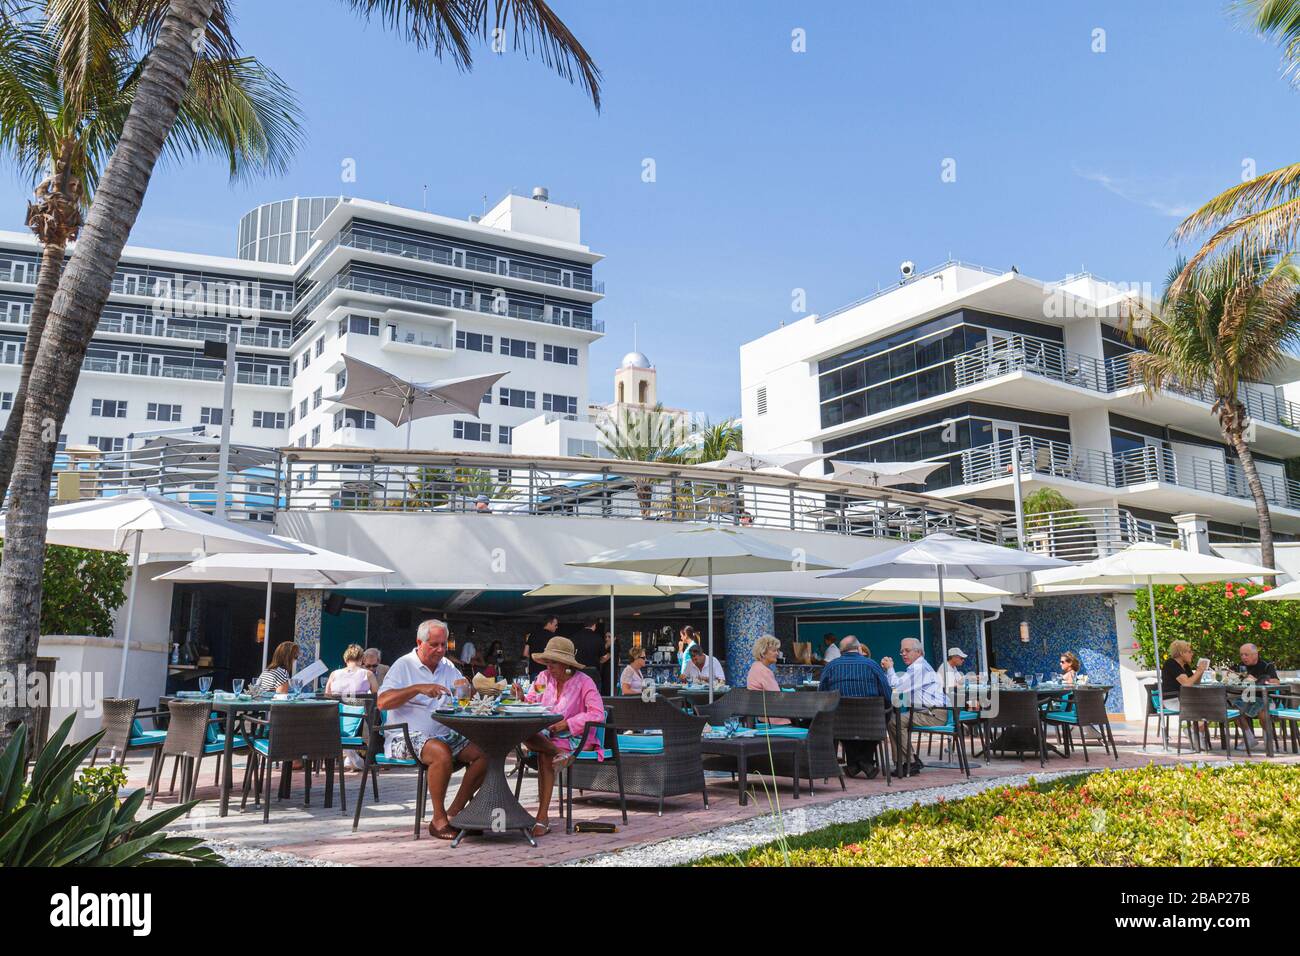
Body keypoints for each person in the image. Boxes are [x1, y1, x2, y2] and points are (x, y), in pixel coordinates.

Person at [377, 619, 489, 839]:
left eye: (443, 645)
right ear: (420, 642)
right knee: (440, 752)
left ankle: (455, 812)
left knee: (486, 751)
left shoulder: (447, 666)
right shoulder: (404, 665)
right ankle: (438, 820)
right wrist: (417, 688)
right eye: (434, 645)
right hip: (403, 737)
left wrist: (468, 689)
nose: (440, 650)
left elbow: (467, 693)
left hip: (443, 735)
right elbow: (382, 702)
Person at [521, 637, 605, 837]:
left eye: (554, 662)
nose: (549, 667)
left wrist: (568, 723)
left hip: (576, 738)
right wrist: (520, 698)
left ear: (567, 664)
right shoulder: (543, 678)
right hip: (547, 736)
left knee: (544, 754)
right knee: (524, 733)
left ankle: (542, 817)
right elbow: (530, 703)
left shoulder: (584, 682)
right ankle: (558, 753)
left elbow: (597, 714)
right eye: (548, 662)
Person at [819, 636, 893, 778]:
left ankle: (855, 763)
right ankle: (864, 762)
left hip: (841, 721)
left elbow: (822, 695)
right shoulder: (872, 665)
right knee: (883, 715)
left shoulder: (831, 666)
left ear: (841, 651)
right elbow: (887, 693)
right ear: (859, 648)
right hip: (872, 720)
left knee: (842, 721)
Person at [881, 638, 949, 776]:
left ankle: (909, 763)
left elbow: (897, 686)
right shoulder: (918, 666)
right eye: (901, 651)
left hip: (934, 714)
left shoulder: (919, 667)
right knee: (894, 720)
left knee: (894, 721)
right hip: (928, 712)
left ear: (918, 652)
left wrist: (890, 668)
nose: (904, 654)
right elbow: (898, 685)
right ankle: (910, 760)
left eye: (907, 650)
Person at [1231, 643, 1279, 750]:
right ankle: (1249, 739)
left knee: (1263, 713)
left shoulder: (1266, 665)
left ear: (1255, 654)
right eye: (1241, 655)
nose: (1243, 657)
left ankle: (1268, 739)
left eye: (1246, 655)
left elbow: (1276, 682)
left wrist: (1258, 680)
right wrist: (1232, 677)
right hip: (1248, 698)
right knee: (1235, 712)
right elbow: (1233, 678)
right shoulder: (1241, 666)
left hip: (1266, 698)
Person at [746, 635, 790, 725]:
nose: (777, 654)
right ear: (763, 653)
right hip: (773, 719)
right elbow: (778, 696)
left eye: (777, 650)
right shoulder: (764, 671)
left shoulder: (755, 667)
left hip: (762, 717)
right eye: (774, 650)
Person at [1160, 639, 1208, 714]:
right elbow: (1186, 684)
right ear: (1181, 653)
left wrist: (1201, 671)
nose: (1192, 654)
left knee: (1211, 706)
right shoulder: (1171, 664)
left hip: (1185, 699)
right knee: (1206, 708)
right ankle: (1196, 725)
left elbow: (1195, 683)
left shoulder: (1185, 666)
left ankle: (1196, 725)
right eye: (1189, 652)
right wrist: (1198, 671)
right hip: (1172, 700)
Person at [571, 618, 606, 692]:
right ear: (594, 625)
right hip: (592, 671)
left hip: (578, 669)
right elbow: (603, 657)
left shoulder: (575, 637)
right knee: (593, 693)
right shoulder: (597, 638)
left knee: (578, 692)